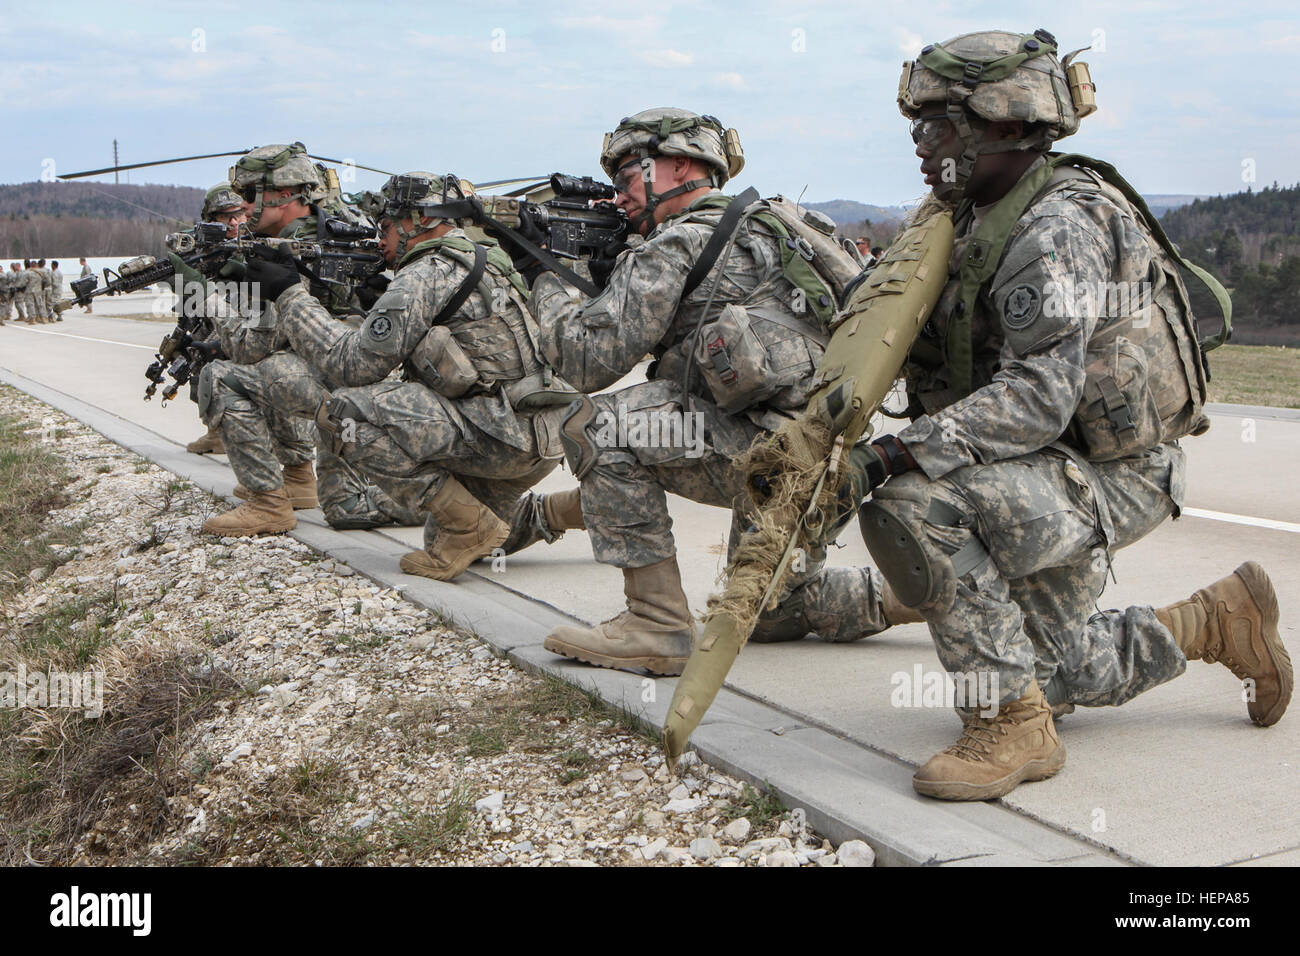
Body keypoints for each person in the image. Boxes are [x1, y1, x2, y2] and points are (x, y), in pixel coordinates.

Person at [846, 28, 1291, 801]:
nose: (922, 145)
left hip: (1109, 474)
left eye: (939, 125)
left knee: (913, 507)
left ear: (1009, 124)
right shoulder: (963, 216)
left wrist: (889, 456)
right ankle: (1216, 621)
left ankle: (1012, 728)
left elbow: (1038, 396)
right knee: (1048, 673)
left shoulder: (1056, 227)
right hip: (1045, 467)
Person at [526, 108, 919, 677]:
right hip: (827, 461)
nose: (619, 198)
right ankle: (933, 593)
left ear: (679, 165)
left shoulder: (678, 244)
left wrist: (549, 272)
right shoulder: (770, 226)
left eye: (627, 179)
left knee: (598, 424)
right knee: (770, 612)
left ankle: (654, 623)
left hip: (764, 455)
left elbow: (585, 363)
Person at [259, 171, 570, 579]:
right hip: (542, 437)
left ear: (419, 221)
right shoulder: (487, 258)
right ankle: (569, 510)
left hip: (501, 436)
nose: (380, 238)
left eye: (386, 226)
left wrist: (289, 293)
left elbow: (351, 365)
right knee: (440, 540)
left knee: (345, 412)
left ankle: (469, 523)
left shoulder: (426, 273)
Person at [195, 143, 418, 535]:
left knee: (224, 376)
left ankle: (268, 503)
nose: (243, 209)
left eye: (249, 197)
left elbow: (249, 348)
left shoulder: (283, 252)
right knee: (344, 507)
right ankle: (300, 479)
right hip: (378, 390)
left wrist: (207, 295)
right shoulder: (345, 229)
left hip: (350, 393)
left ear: (283, 196)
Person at [183, 182, 253, 457]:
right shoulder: (202, 246)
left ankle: (237, 438)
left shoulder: (255, 242)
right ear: (210, 220)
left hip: (242, 319)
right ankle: (215, 432)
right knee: (196, 368)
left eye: (239, 214)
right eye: (225, 217)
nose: (234, 222)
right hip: (208, 314)